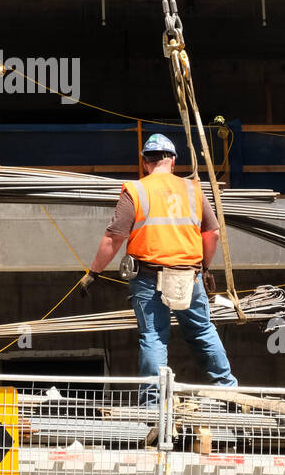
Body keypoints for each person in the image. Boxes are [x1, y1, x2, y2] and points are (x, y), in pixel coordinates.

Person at [82, 133, 237, 403]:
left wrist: (92, 272)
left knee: (153, 336)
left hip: (148, 276)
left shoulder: (136, 190)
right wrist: (205, 267)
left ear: (145, 162)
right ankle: (228, 390)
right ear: (173, 161)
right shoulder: (193, 190)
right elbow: (212, 233)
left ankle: (153, 405)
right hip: (190, 275)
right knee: (202, 331)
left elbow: (113, 238)